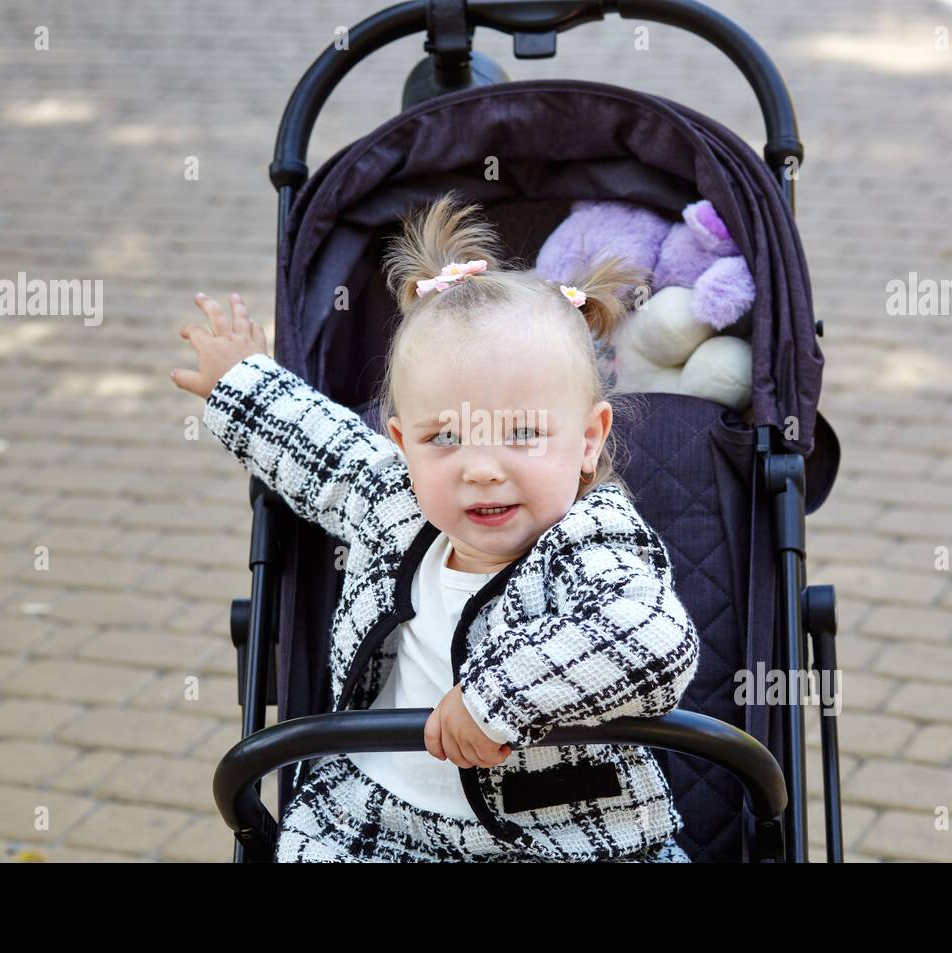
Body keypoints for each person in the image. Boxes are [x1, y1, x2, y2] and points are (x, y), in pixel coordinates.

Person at [171, 190, 700, 862]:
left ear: (590, 439)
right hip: (377, 820)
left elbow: (649, 636)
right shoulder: (396, 503)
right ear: (402, 443)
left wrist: (497, 697)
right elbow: (325, 450)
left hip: (562, 835)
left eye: (523, 434)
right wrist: (241, 380)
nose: (481, 467)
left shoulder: (590, 539)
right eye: (445, 437)